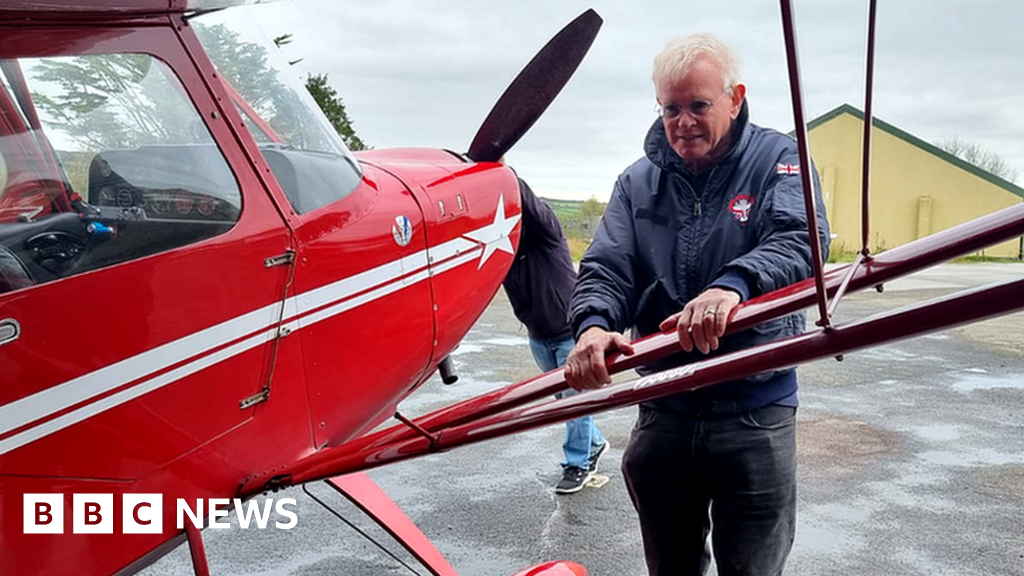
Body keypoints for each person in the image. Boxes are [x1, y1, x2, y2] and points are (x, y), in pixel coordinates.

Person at [564, 33, 831, 575]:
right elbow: (607, 267)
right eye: (671, 108)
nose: (683, 121)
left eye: (698, 106)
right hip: (664, 408)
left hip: (755, 409)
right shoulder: (637, 183)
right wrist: (593, 326)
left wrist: (732, 286)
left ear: (735, 98)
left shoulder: (781, 160)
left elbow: (803, 238)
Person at [502, 175, 610, 495]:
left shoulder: (547, 232)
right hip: (538, 336)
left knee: (573, 403)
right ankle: (596, 443)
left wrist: (501, 173)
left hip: (569, 333)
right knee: (567, 398)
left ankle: (578, 464)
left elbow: (528, 201)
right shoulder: (504, 250)